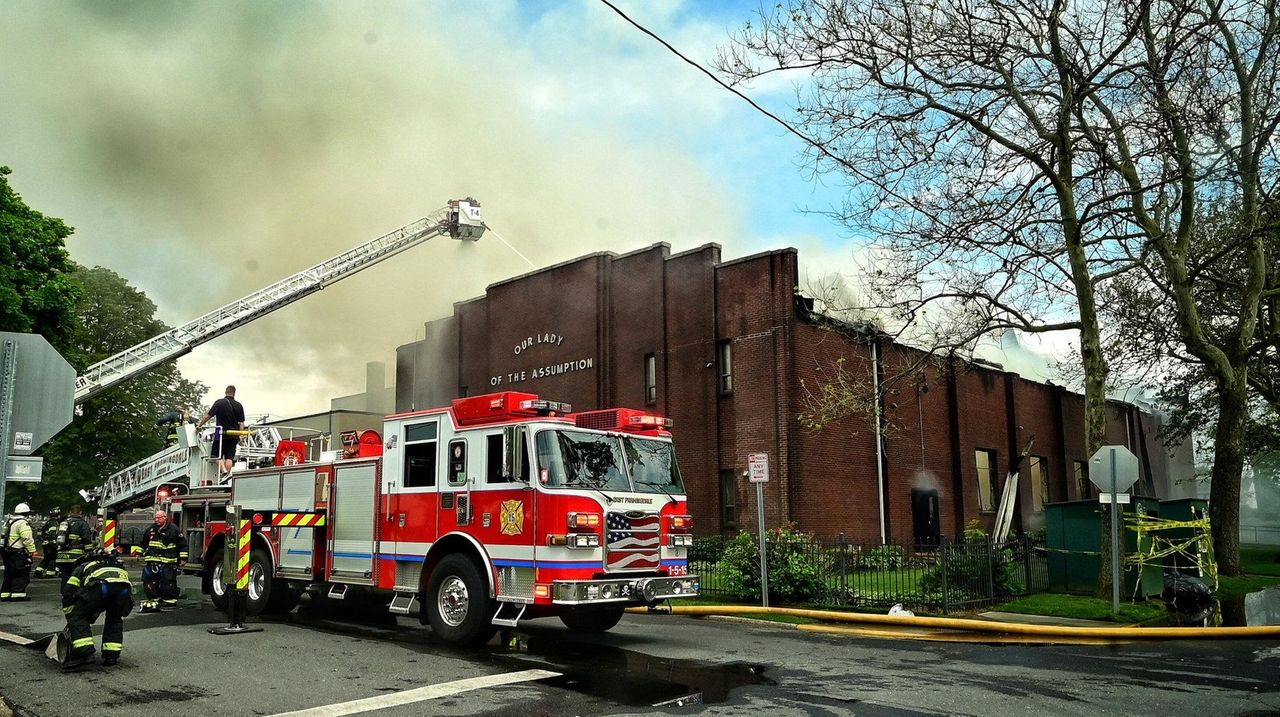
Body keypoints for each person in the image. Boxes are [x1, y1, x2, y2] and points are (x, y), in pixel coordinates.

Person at [61, 550, 133, 668]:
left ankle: (85, 653)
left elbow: (68, 592)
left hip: (101, 587)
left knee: (78, 616)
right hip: (123, 590)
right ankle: (111, 656)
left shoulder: (82, 566)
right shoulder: (117, 565)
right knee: (114, 619)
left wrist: (71, 616)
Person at [131, 509, 187, 611]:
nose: (156, 520)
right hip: (152, 561)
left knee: (168, 582)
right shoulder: (151, 529)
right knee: (149, 581)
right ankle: (154, 599)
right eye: (155, 518)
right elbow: (143, 543)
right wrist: (138, 553)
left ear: (165, 517)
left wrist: (183, 558)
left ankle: (169, 601)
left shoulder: (173, 529)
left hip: (167, 562)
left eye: (158, 518)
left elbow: (182, 544)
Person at [197, 385, 245, 475]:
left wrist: (199, 425)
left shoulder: (219, 403)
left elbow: (209, 416)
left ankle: (224, 471)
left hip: (221, 434)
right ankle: (226, 477)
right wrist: (240, 435)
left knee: (216, 456)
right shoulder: (239, 405)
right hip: (234, 435)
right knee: (229, 457)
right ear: (234, 393)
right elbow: (241, 423)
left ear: (225, 392)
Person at [1, 503, 37, 601]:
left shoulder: (9, 521)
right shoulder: (22, 523)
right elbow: (27, 538)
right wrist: (31, 550)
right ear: (26, 513)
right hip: (18, 552)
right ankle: (18, 594)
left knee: (9, 573)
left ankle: (5, 594)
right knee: (20, 573)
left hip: (7, 551)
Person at [54, 504, 94, 588]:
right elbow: (87, 540)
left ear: (70, 512)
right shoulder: (82, 524)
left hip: (62, 556)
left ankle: (65, 593)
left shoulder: (63, 523)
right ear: (81, 512)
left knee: (65, 577)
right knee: (74, 577)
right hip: (76, 557)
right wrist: (90, 553)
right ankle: (72, 594)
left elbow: (57, 537)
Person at [35, 507, 61, 577]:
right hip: (51, 544)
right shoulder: (54, 523)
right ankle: (50, 573)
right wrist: (54, 542)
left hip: (45, 544)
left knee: (46, 559)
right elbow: (52, 533)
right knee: (52, 559)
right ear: (58, 515)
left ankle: (38, 571)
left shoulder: (48, 522)